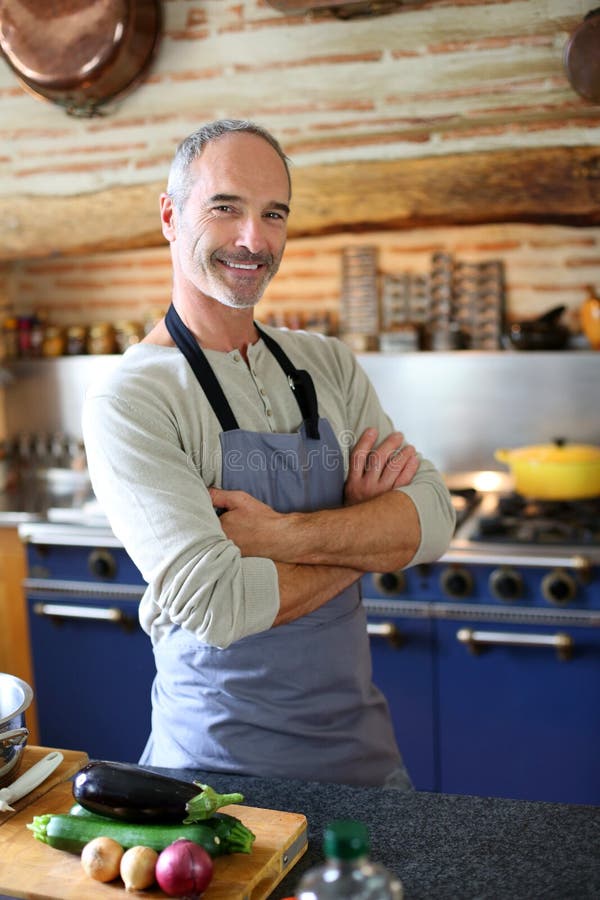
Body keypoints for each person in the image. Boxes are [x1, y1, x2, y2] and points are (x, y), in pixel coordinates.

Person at [82, 119, 455, 788]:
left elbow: (433, 517)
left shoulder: (325, 365)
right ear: (170, 216)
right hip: (215, 780)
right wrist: (368, 538)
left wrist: (279, 535)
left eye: (273, 214)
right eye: (226, 208)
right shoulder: (131, 398)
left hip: (363, 762)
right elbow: (219, 604)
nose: (254, 240)